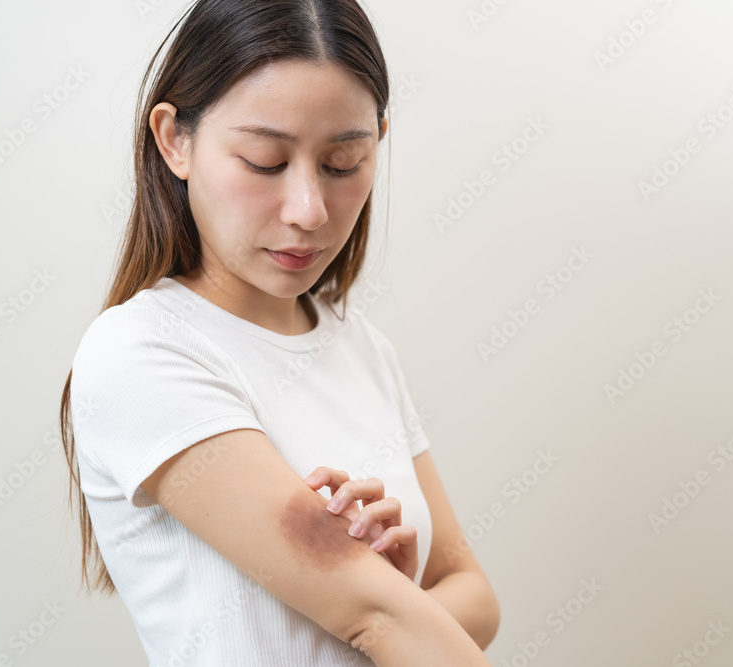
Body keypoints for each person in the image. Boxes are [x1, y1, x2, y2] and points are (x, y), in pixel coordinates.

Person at [57, 0, 498, 665]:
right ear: (174, 139)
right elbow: (374, 617)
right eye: (265, 161)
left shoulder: (362, 347)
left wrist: (398, 596)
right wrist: (386, 611)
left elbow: (475, 598)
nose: (308, 210)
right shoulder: (142, 352)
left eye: (345, 162)